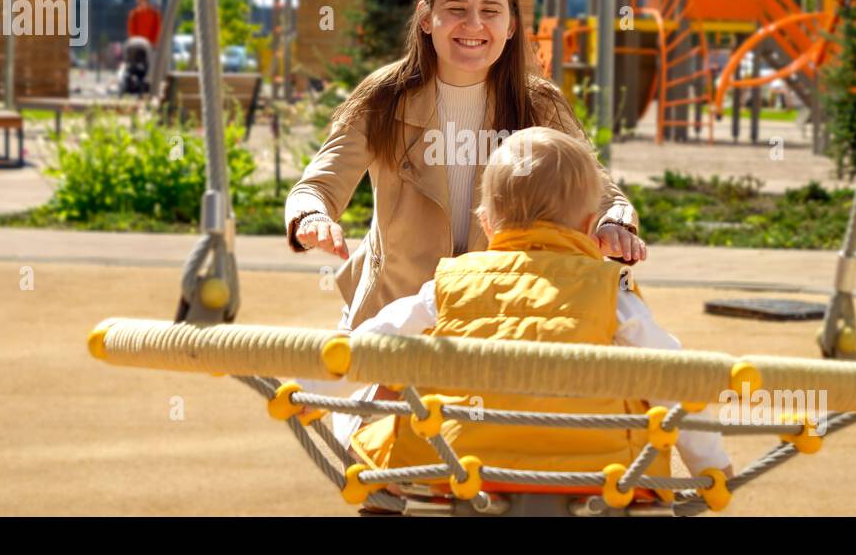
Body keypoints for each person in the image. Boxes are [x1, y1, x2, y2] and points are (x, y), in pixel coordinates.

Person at [307, 126, 732, 495]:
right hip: (599, 470)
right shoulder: (611, 294)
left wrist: (314, 395)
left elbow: (375, 338)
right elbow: (675, 378)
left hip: (459, 463)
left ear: (486, 224)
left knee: (392, 388)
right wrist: (711, 466)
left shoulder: (451, 284)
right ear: (589, 227)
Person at [285, 0, 647, 335]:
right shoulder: (384, 96)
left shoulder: (539, 104)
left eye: (490, 11)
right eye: (456, 9)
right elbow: (318, 184)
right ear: (426, 18)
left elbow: (596, 186)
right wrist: (311, 216)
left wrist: (615, 222)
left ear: (510, 25)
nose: (473, 24)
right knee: (342, 394)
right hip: (390, 317)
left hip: (496, 317)